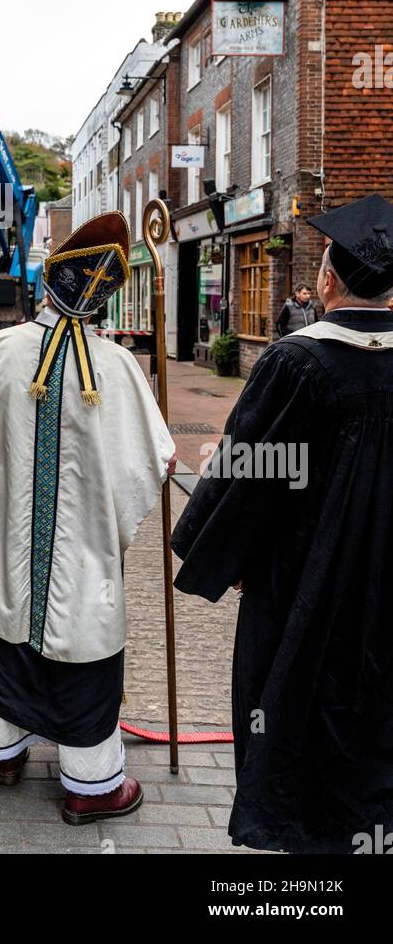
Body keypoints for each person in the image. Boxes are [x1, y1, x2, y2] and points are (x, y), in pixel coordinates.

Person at [172, 193, 393, 854]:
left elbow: (249, 475)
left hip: (304, 583)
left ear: (325, 281)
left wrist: (226, 557)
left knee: (291, 707)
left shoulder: (297, 362)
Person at [0, 214, 175, 825]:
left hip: (10, 550)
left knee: (10, 620)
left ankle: (6, 753)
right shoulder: (119, 368)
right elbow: (156, 461)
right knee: (83, 640)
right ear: (99, 299)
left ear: (49, 285)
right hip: (88, 560)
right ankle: (90, 787)